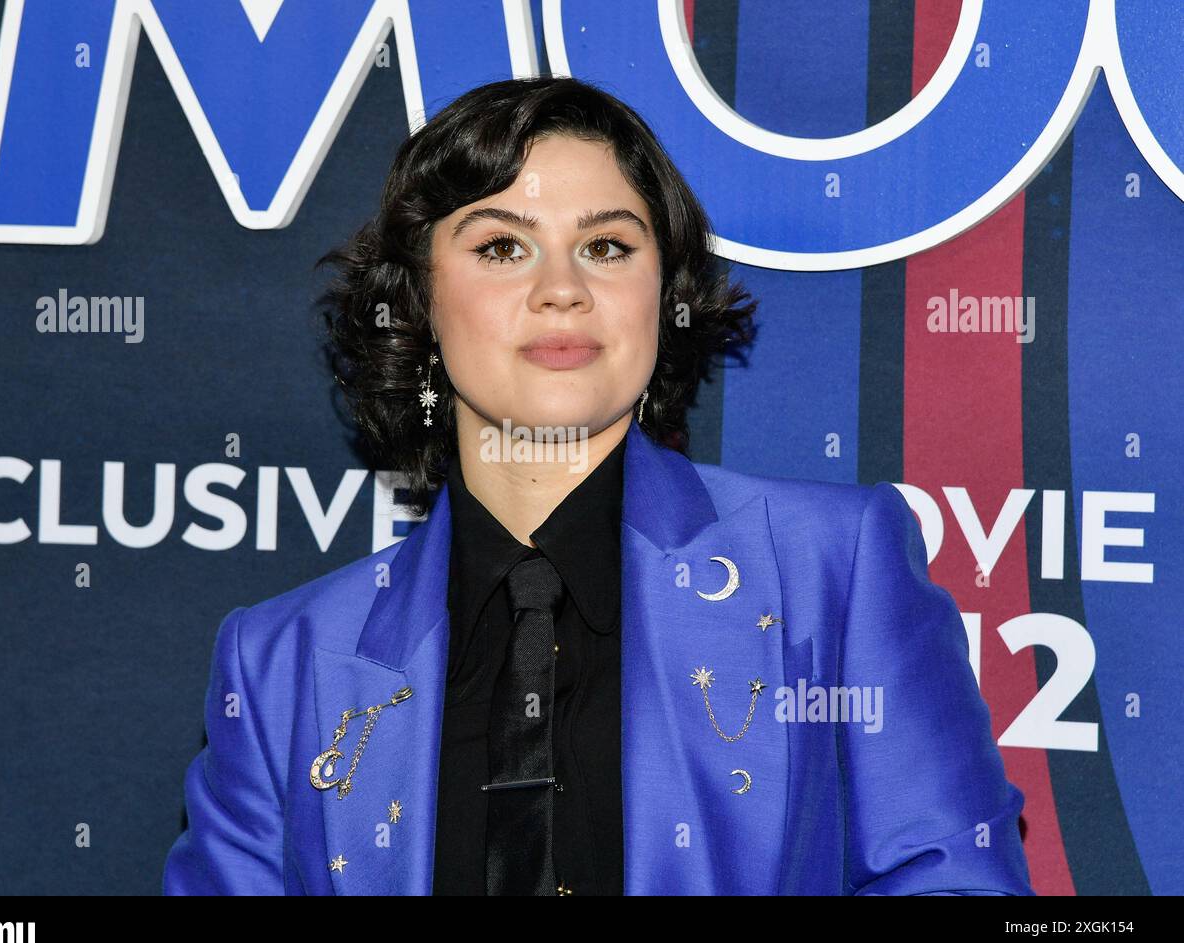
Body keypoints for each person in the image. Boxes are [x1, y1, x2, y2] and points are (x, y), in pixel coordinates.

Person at [163, 76, 1033, 896]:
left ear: (663, 292)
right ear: (421, 301)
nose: (562, 290)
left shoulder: (830, 572)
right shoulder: (281, 662)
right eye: (503, 246)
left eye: (607, 246)